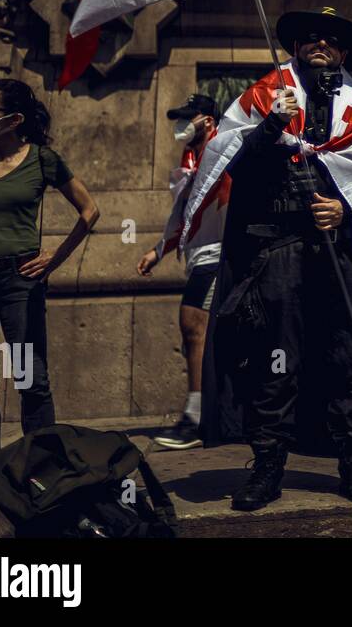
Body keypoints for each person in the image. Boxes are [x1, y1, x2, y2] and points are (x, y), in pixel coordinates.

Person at [184, 6, 352, 511]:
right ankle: (266, 468)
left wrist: (342, 210)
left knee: (348, 359)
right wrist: (270, 126)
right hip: (278, 248)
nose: (319, 44)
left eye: (330, 39)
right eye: (310, 38)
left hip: (338, 253)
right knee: (275, 362)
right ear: (296, 48)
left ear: (343, 54)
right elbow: (228, 157)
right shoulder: (264, 95)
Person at [0, 78, 99, 456]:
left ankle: (41, 465)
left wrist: (55, 258)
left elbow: (90, 211)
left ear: (13, 119)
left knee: (32, 378)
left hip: (20, 281)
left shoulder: (42, 159)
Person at [136, 94, 225, 449]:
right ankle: (212, 413)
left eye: (187, 117)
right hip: (200, 254)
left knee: (193, 326)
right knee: (204, 333)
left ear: (207, 119)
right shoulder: (191, 158)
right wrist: (158, 251)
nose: (180, 124)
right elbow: (185, 216)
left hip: (219, 254)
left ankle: (195, 416)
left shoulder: (220, 152)